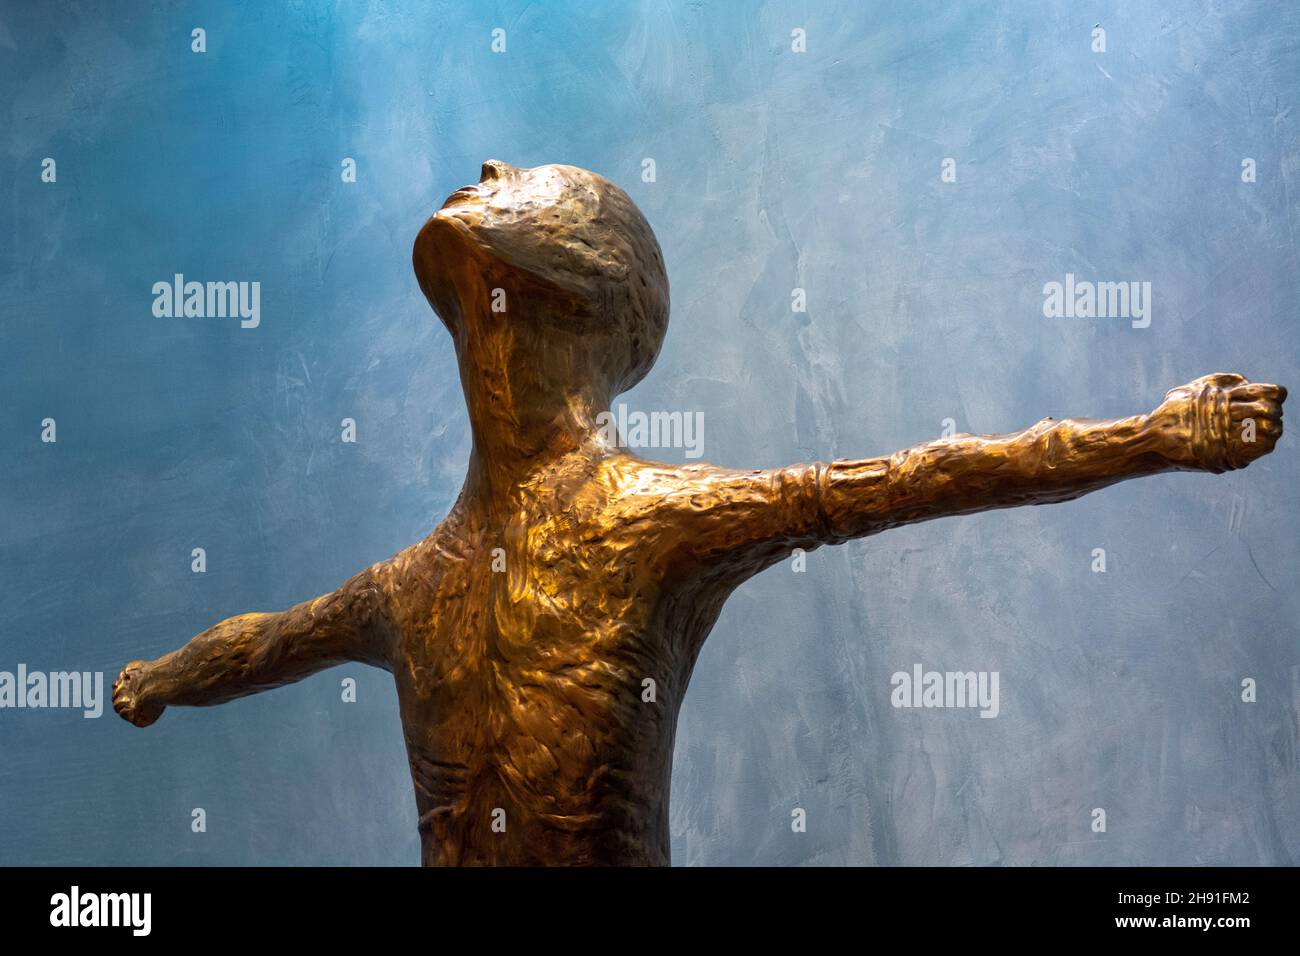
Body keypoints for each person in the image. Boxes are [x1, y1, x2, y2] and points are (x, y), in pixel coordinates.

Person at [114, 160, 1286, 865]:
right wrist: (164, 673)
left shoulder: (654, 523)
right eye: (474, 296)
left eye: (501, 273)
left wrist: (1152, 435)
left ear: (585, 292)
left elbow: (926, 475)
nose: (484, 170)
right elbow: (265, 640)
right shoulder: (413, 584)